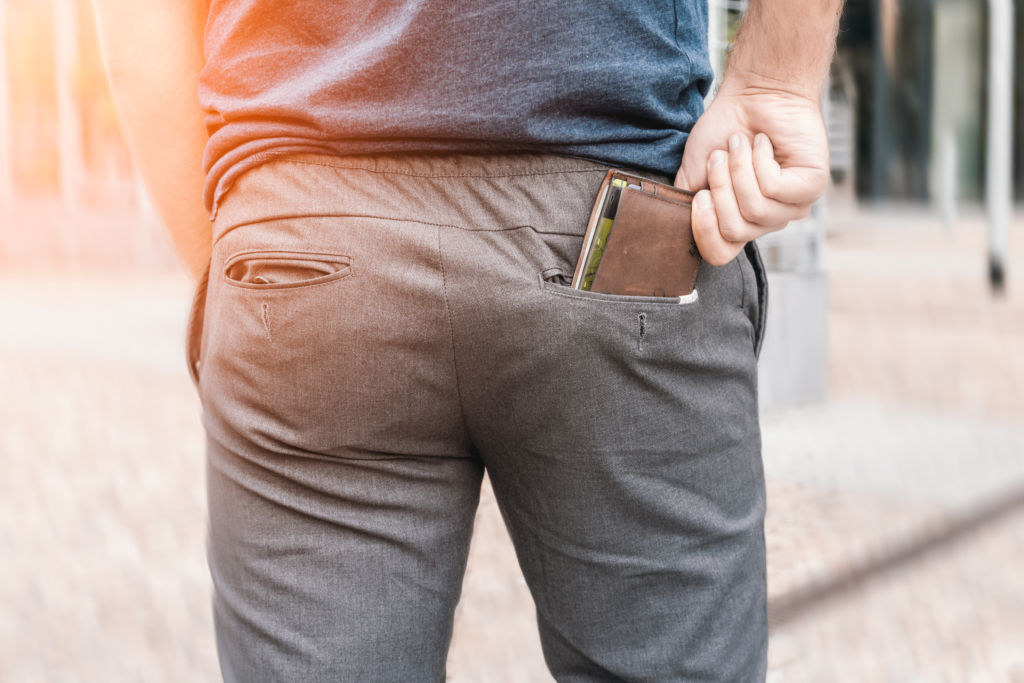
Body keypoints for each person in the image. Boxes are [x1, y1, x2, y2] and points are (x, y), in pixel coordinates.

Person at [93, 1, 841, 680]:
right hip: (615, 217)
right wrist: (777, 79)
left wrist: (242, 264)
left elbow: (135, 28)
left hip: (307, 228)